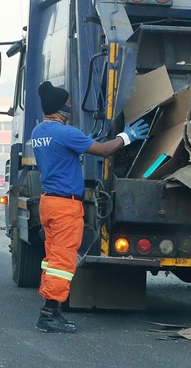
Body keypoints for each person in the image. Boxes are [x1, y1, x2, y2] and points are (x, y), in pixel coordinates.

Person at [31, 80, 150, 333]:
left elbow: (63, 152)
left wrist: (84, 142)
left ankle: (54, 310)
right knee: (63, 262)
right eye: (68, 105)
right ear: (59, 109)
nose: (70, 108)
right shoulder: (67, 133)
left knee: (52, 259)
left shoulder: (38, 132)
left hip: (48, 203)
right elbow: (105, 151)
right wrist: (125, 137)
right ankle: (48, 314)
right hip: (65, 207)